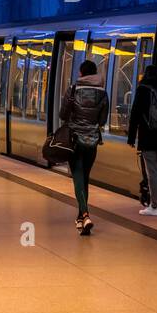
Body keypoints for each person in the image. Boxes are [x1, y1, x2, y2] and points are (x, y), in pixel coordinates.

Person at [58, 60, 109, 235]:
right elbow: (102, 120)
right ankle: (81, 217)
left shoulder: (73, 90)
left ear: (81, 73)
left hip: (75, 140)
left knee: (78, 176)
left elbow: (62, 114)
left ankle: (85, 214)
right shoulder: (103, 93)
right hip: (93, 141)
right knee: (85, 177)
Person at [128, 65, 157, 216]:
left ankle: (154, 205)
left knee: (152, 172)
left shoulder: (143, 90)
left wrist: (131, 137)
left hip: (149, 137)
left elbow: (135, 114)